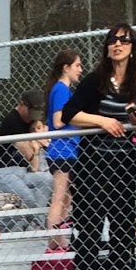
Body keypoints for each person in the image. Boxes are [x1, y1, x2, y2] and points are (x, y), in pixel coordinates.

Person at [62, 23, 136, 270]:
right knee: (88, 233)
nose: (118, 44)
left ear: (132, 47)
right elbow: (69, 114)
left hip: (122, 168)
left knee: (123, 232)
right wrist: (101, 121)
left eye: (124, 40)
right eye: (113, 40)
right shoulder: (94, 80)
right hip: (92, 168)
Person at [0, 89, 53, 227]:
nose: (33, 117)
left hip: (23, 171)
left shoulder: (32, 122)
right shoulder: (12, 121)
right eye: (31, 111)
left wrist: (35, 148)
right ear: (22, 105)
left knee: (46, 179)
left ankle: (36, 225)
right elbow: (30, 155)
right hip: (6, 172)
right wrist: (36, 147)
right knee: (28, 201)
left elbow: (34, 166)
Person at [44, 50, 82, 247]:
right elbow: (58, 121)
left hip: (69, 150)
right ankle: (54, 242)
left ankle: (59, 242)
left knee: (66, 201)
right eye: (77, 66)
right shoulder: (60, 89)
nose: (80, 70)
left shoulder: (64, 90)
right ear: (66, 68)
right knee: (59, 200)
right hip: (62, 151)